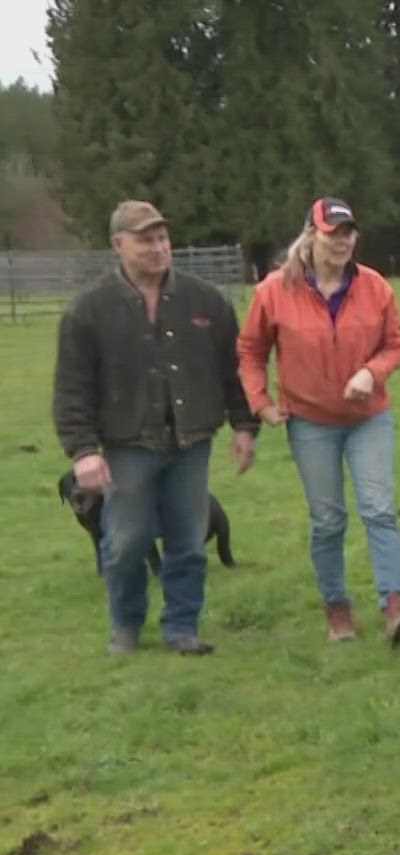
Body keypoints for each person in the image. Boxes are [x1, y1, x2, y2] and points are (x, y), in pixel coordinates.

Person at [52, 199, 258, 656]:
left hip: (192, 441)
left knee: (188, 542)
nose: (158, 247)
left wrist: (244, 427)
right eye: (145, 240)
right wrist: (84, 450)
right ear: (118, 245)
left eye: (162, 238)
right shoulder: (88, 312)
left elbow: (232, 371)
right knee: (125, 544)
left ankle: (181, 628)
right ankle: (126, 628)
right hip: (128, 445)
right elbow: (71, 389)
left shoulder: (206, 302)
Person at [237, 196, 400, 647]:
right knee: (328, 521)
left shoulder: (376, 287)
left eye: (348, 233)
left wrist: (370, 373)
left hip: (368, 418)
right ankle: (337, 608)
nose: (342, 241)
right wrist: (260, 403)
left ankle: (396, 607)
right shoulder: (274, 291)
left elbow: (395, 346)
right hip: (310, 422)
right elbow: (251, 352)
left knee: (379, 509)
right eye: (332, 232)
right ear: (311, 235)